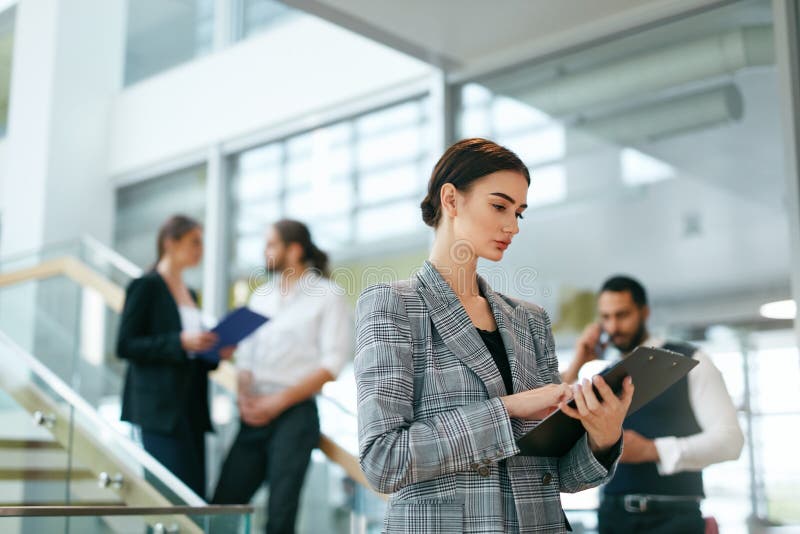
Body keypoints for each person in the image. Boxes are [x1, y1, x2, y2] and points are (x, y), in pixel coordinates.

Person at [354, 138, 634, 533]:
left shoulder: (530, 320)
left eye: (519, 212)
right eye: (500, 206)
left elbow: (562, 477)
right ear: (451, 200)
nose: (512, 226)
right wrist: (510, 408)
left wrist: (602, 438)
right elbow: (383, 462)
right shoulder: (393, 304)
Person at [561, 275, 744, 534]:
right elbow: (556, 418)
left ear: (644, 312)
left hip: (674, 518)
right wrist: (578, 362)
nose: (613, 327)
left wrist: (651, 450)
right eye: (606, 317)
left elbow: (730, 441)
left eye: (622, 315)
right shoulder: (606, 377)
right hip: (613, 518)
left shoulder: (690, 361)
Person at [212, 219, 352, 534]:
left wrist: (277, 403)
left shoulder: (327, 295)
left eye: (271, 244)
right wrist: (244, 398)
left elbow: (333, 363)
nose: (265, 252)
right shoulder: (261, 295)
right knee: (222, 505)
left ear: (295, 249)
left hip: (294, 414)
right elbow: (246, 356)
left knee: (280, 516)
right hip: (253, 413)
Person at [117, 214, 234, 497]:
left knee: (193, 495)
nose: (200, 250)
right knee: (168, 497)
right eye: (195, 242)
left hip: (191, 406)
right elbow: (125, 345)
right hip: (159, 410)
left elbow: (188, 357)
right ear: (170, 242)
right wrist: (179, 341)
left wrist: (215, 351)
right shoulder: (146, 285)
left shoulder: (190, 293)